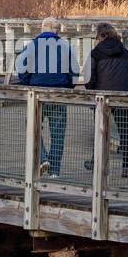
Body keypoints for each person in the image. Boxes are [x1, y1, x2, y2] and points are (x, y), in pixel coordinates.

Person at [13, 17, 79, 177]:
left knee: (33, 127)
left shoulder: (31, 45)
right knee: (58, 133)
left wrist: (28, 83)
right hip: (58, 94)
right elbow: (74, 71)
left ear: (42, 28)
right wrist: (68, 85)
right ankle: (54, 170)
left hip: (36, 93)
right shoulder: (65, 46)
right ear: (56, 30)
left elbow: (22, 69)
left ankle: (43, 159)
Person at [83, 22, 128, 178]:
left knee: (101, 131)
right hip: (122, 96)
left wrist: (92, 90)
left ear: (101, 36)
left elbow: (89, 77)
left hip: (103, 97)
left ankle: (98, 165)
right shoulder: (124, 52)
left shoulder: (96, 53)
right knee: (125, 132)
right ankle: (127, 168)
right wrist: (127, 83)